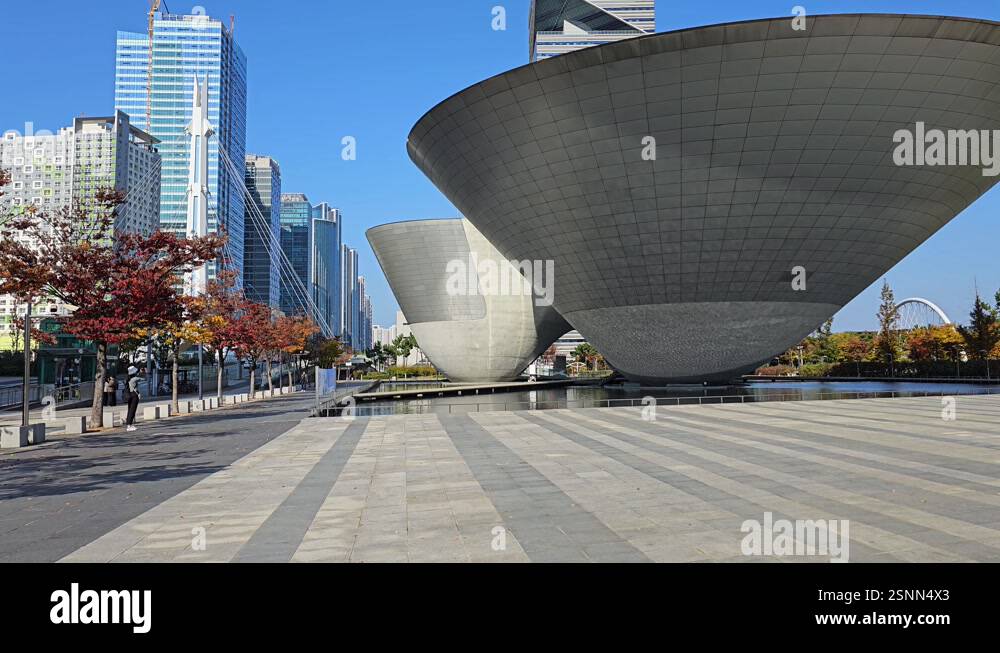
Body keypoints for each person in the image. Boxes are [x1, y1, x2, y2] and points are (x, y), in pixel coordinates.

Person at [124, 366, 142, 432]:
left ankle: (129, 424)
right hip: (134, 395)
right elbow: (144, 378)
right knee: (132, 410)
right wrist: (141, 372)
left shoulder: (128, 379)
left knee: (130, 410)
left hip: (130, 395)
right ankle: (129, 425)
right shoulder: (135, 379)